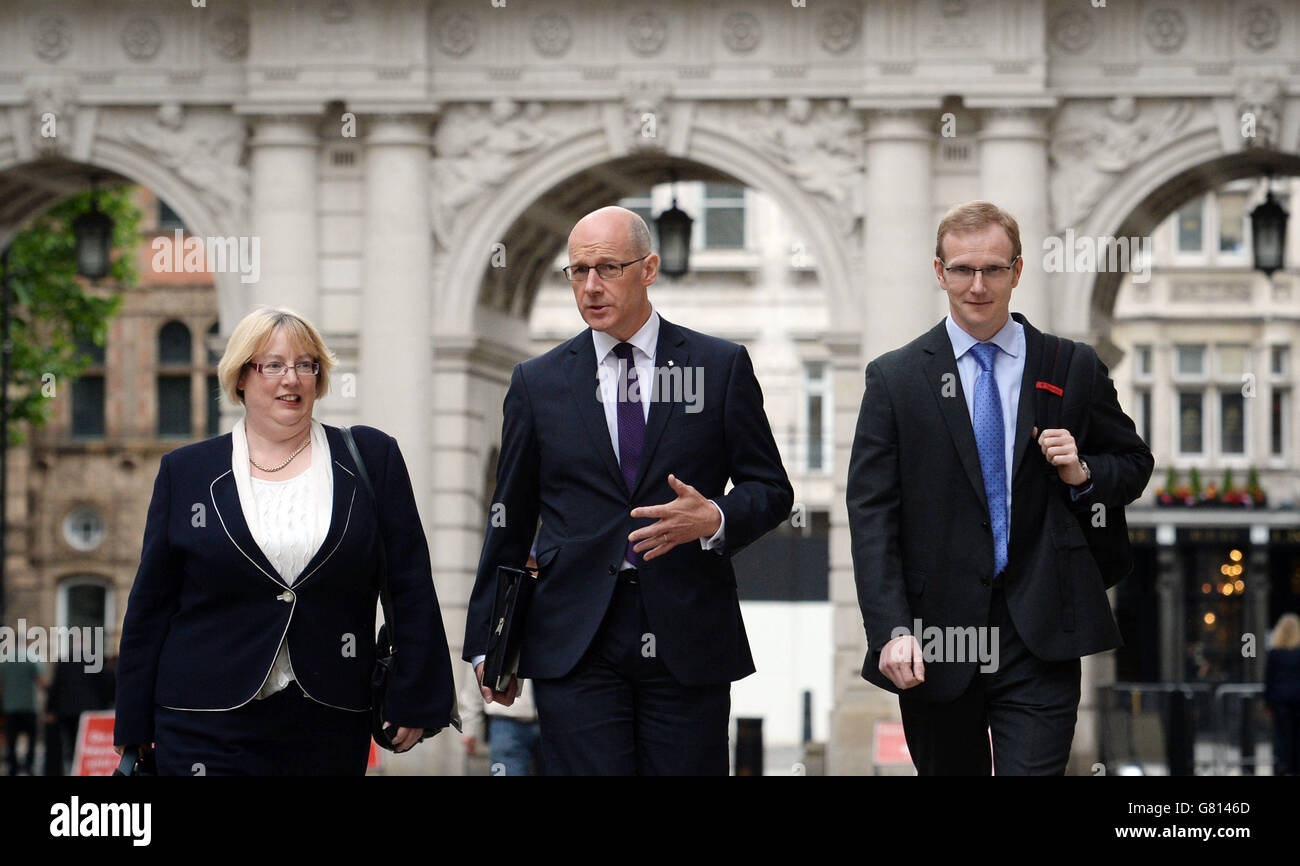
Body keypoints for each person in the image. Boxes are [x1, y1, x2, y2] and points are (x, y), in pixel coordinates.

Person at [463, 206, 793, 775]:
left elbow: (771, 489)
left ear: (649, 268)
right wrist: (488, 640)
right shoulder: (537, 383)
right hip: (574, 635)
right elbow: (508, 519)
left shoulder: (719, 367)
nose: (590, 286)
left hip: (687, 629)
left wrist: (714, 518)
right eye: (578, 271)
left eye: (609, 268)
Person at [847, 200, 1154, 775]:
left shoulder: (1071, 366)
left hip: (1039, 626)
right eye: (962, 269)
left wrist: (1083, 471)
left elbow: (1134, 464)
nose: (978, 285)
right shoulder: (896, 378)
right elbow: (872, 517)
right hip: (938, 635)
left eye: (992, 269)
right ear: (939, 273)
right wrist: (890, 629)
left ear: (1016, 271)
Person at [114, 306, 457, 775]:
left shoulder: (371, 459)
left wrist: (416, 694)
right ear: (240, 378)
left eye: (305, 364)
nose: (290, 379)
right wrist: (132, 725)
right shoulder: (187, 471)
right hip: (204, 719)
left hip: (328, 717)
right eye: (271, 365)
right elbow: (151, 605)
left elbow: (410, 583)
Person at [460, 552, 541, 777]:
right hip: (508, 721)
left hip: (551, 719)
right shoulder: (501, 612)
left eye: (535, 569)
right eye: (527, 568)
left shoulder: (552, 610)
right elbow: (479, 671)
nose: (531, 575)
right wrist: (471, 725)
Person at [1265, 612, 1300, 775]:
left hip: (1280, 702)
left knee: (1282, 738)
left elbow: (1269, 679)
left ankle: (1282, 767)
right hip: (1297, 701)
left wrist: (1267, 703)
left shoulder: (1275, 653)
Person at [1, 658, 43, 775]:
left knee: (11, 740)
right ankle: (29, 765)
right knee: (32, 738)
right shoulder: (32, 662)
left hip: (10, 708)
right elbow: (41, 682)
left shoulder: (4, 664)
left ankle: (12, 766)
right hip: (29, 707)